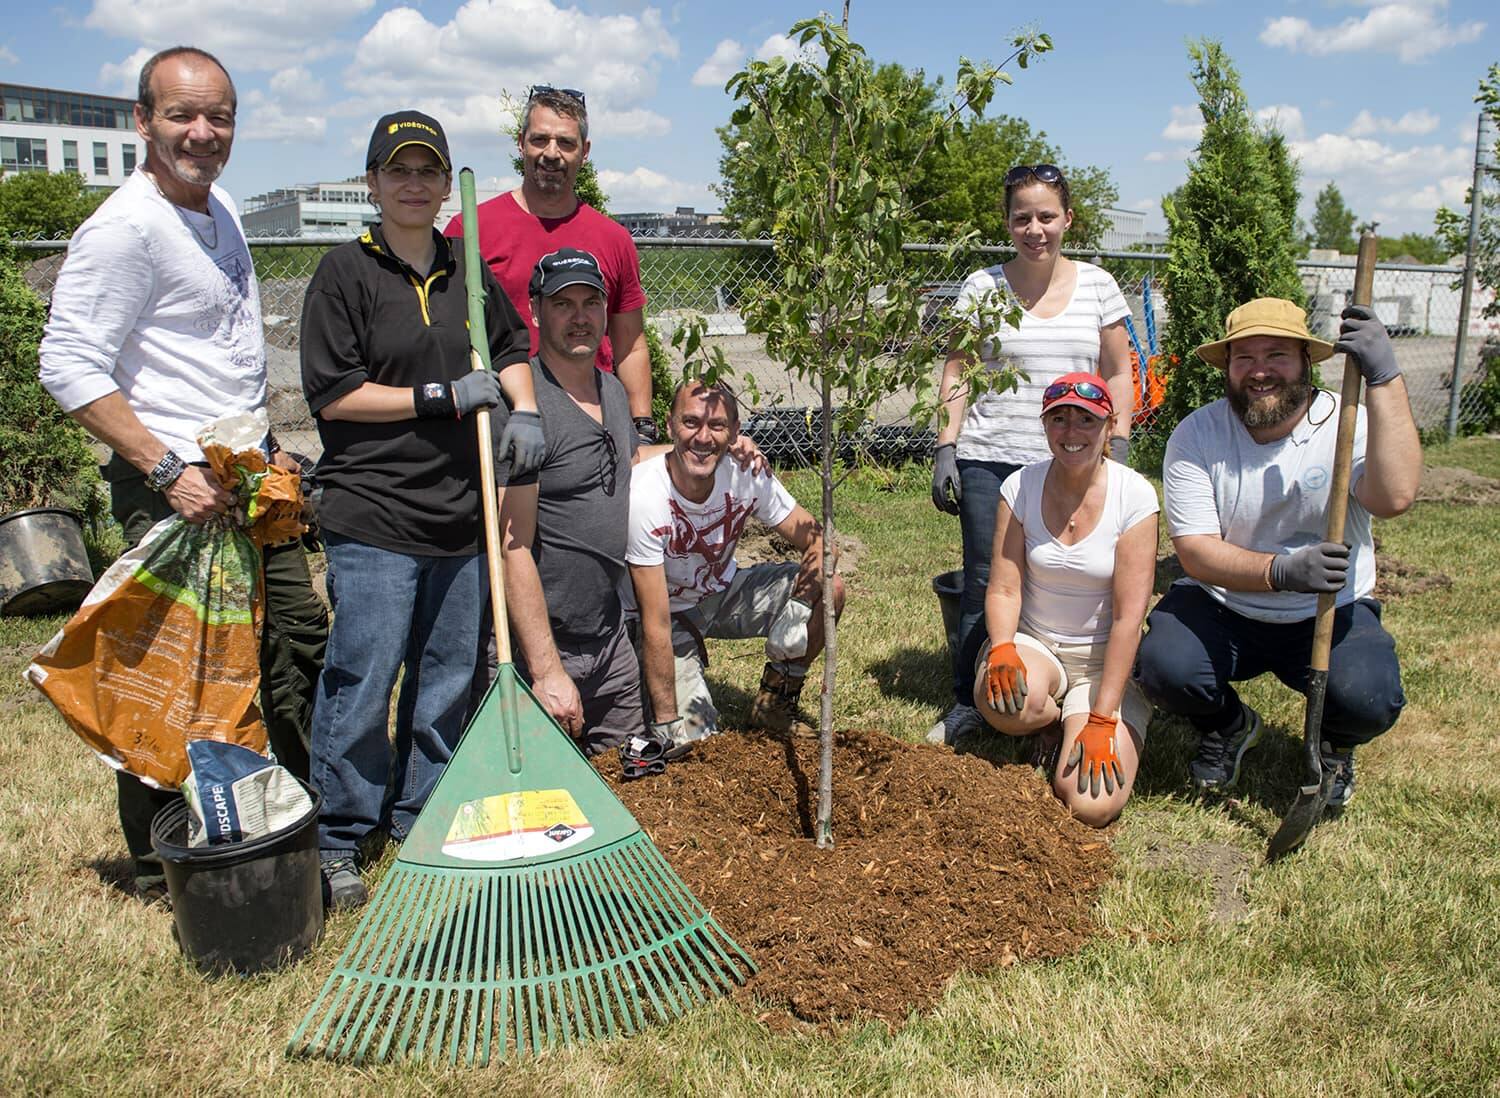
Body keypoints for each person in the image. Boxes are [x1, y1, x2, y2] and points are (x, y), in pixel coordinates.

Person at [37, 46, 328, 903]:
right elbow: (68, 364)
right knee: (174, 672)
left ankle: (298, 826)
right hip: (179, 487)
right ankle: (167, 862)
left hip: (247, 480)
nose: (203, 133)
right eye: (181, 116)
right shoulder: (124, 229)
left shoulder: (221, 206)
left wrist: (269, 450)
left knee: (291, 645)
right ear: (142, 122)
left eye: (220, 117)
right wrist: (165, 468)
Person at [299, 110, 534, 909]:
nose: (413, 183)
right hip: (374, 515)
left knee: (445, 682)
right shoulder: (345, 274)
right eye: (397, 170)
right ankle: (337, 835)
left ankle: (418, 815)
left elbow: (509, 349)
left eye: (428, 171)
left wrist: (524, 412)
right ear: (371, 182)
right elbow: (333, 396)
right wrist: (438, 396)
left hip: (460, 516)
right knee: (364, 679)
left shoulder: (468, 271)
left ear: (444, 184)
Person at [1134, 298, 1420, 808]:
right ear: (1226, 367)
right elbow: (1196, 554)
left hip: (1329, 610)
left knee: (1366, 697)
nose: (1260, 371)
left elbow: (1394, 497)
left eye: (1277, 355)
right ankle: (1228, 725)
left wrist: (1385, 378)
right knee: (1162, 666)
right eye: (1244, 358)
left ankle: (1333, 746)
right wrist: (1281, 570)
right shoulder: (1197, 435)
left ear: (1307, 362)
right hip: (1227, 606)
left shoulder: (1343, 424)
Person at [928, 164, 1134, 747]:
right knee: (986, 578)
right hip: (992, 457)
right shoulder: (981, 288)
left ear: (1068, 219)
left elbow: (1119, 369)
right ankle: (970, 698)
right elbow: (957, 368)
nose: (1035, 228)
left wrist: (1116, 440)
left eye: (1047, 216)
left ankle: (1068, 682)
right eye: (1022, 217)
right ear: (1008, 223)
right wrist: (948, 445)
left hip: (1075, 457)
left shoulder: (1097, 285)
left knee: (1070, 576)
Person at [956, 375, 1157, 827]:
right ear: (1045, 427)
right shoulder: (1021, 487)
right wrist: (1004, 646)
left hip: (1103, 662)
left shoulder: (1135, 497)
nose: (1071, 432)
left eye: (1086, 420)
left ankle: (1089, 720)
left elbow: (1128, 619)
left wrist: (1103, 718)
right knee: (1002, 700)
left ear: (1109, 428)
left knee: (1091, 805)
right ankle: (1051, 723)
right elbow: (1005, 587)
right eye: (1059, 419)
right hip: (1037, 645)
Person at [625, 380, 845, 761]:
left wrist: (800, 606)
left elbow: (820, 542)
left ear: (736, 432)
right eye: (691, 423)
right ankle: (676, 716)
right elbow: (655, 625)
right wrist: (667, 725)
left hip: (723, 594)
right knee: (700, 746)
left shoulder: (746, 473)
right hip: (668, 618)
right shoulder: (646, 498)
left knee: (831, 588)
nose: (703, 437)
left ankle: (776, 700)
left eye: (717, 426)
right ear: (670, 424)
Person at [443, 85, 657, 445]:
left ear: (584, 152)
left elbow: (630, 344)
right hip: (500, 418)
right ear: (521, 142)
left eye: (566, 143)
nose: (552, 153)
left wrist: (641, 427)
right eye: (540, 139)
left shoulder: (613, 239)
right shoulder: (470, 231)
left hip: (590, 420)